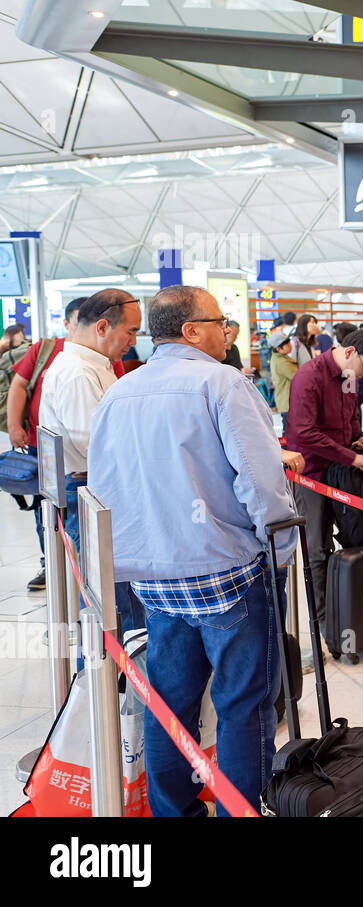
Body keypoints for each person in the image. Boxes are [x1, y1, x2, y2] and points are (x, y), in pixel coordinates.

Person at [88, 285, 299, 817]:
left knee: (169, 706)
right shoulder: (222, 383)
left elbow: (105, 485)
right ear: (190, 330)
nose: (226, 332)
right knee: (242, 707)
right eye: (219, 322)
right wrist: (281, 546)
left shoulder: (120, 391)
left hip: (155, 580)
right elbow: (259, 478)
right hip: (227, 572)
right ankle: (238, 811)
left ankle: (173, 812)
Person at [39, 288, 146, 630]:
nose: (133, 341)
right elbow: (98, 449)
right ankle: (109, 682)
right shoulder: (78, 373)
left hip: (94, 489)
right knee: (115, 610)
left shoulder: (93, 365)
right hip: (91, 492)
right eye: (130, 331)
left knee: (118, 606)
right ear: (102, 327)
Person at [6, 297, 121, 590]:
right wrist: (14, 425)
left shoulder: (105, 357)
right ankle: (51, 564)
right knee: (49, 513)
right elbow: (19, 384)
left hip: (70, 459)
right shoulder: (50, 352)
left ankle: (65, 574)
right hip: (47, 450)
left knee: (77, 537)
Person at [283, 328, 363, 617]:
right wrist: (352, 457)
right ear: (350, 352)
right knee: (317, 547)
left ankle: (349, 612)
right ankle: (323, 620)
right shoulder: (309, 376)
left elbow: (350, 417)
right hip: (311, 474)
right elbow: (305, 434)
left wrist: (358, 436)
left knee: (356, 538)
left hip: (341, 473)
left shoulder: (351, 379)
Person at [268, 330, 298, 412]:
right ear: (278, 349)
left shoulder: (281, 358)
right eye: (286, 344)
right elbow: (297, 376)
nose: (290, 345)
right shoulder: (281, 362)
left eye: (289, 342)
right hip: (287, 403)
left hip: (287, 401)